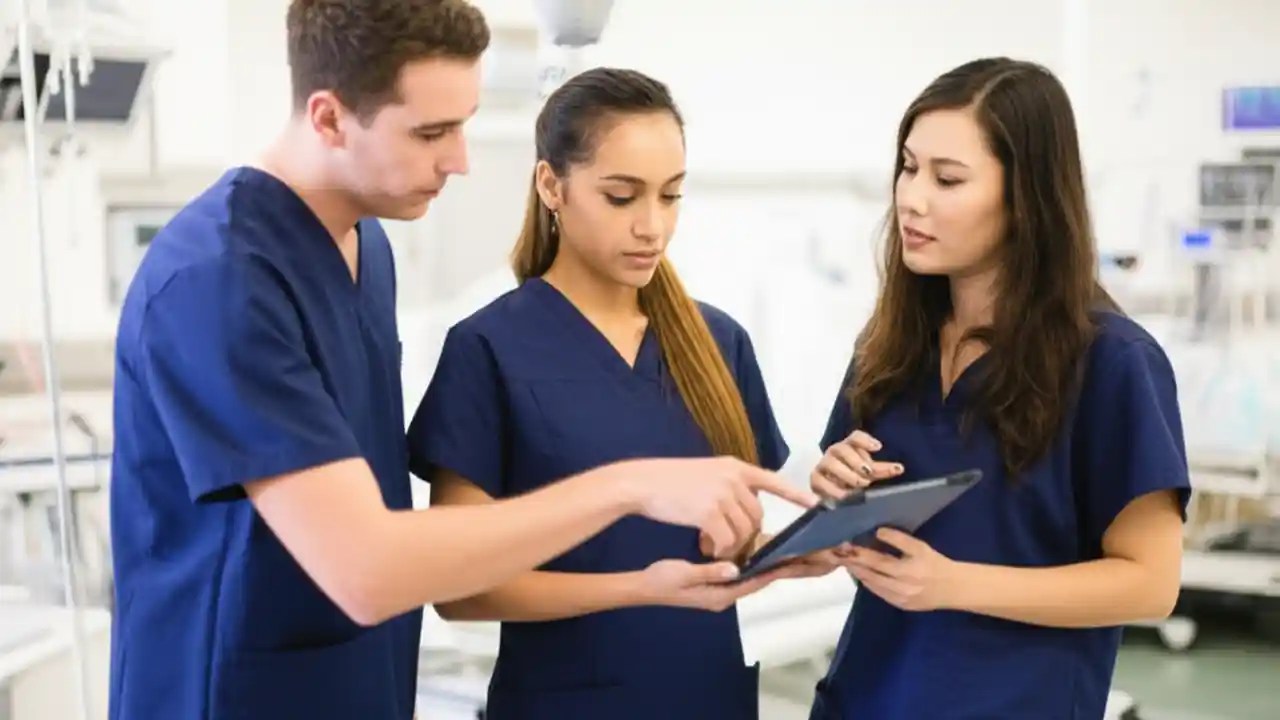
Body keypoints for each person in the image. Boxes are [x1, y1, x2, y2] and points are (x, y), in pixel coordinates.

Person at [106, 4, 815, 720]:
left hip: (359, 686)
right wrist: (630, 487)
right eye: (431, 133)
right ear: (327, 119)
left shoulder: (364, 250)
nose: (461, 160)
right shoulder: (219, 277)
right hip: (233, 695)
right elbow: (367, 568)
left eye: (464, 123)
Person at [406, 67, 837, 720]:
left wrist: (786, 555)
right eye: (622, 196)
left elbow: (723, 547)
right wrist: (639, 589)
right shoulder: (489, 349)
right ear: (552, 185)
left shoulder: (718, 343)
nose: (652, 227)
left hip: (707, 694)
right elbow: (461, 591)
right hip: (566, 702)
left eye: (670, 197)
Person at [806, 57, 1191, 720]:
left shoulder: (1112, 362)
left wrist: (953, 585)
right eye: (908, 166)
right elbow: (868, 542)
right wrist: (839, 496)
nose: (912, 198)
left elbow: (1150, 585)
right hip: (869, 693)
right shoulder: (892, 343)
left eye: (948, 178)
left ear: (1027, 198)